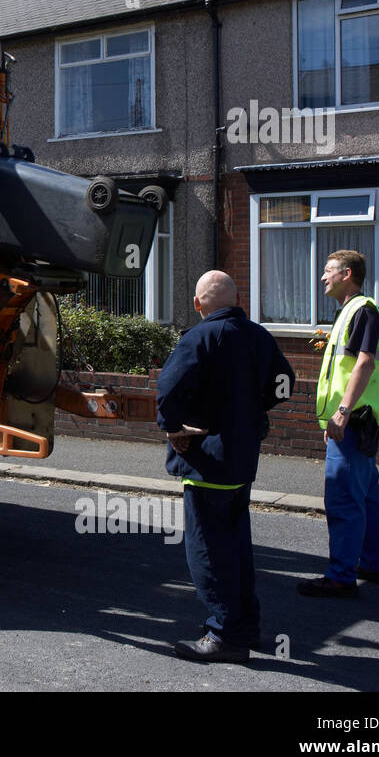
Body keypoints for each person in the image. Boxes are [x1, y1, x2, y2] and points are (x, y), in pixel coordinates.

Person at [157, 271, 295, 662]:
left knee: (208, 550)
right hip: (241, 461)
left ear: (199, 304)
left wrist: (172, 428)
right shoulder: (258, 336)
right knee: (235, 547)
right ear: (237, 300)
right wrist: (253, 410)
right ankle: (244, 627)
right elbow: (285, 381)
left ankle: (225, 635)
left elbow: (167, 390)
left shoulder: (198, 337)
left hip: (206, 460)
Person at [298, 250, 379, 598]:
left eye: (328, 271)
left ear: (347, 273)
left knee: (343, 499)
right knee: (367, 495)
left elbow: (364, 364)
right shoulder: (350, 312)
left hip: (354, 422)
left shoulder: (363, 310)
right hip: (357, 421)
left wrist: (342, 412)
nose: (323, 277)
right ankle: (375, 564)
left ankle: (341, 576)